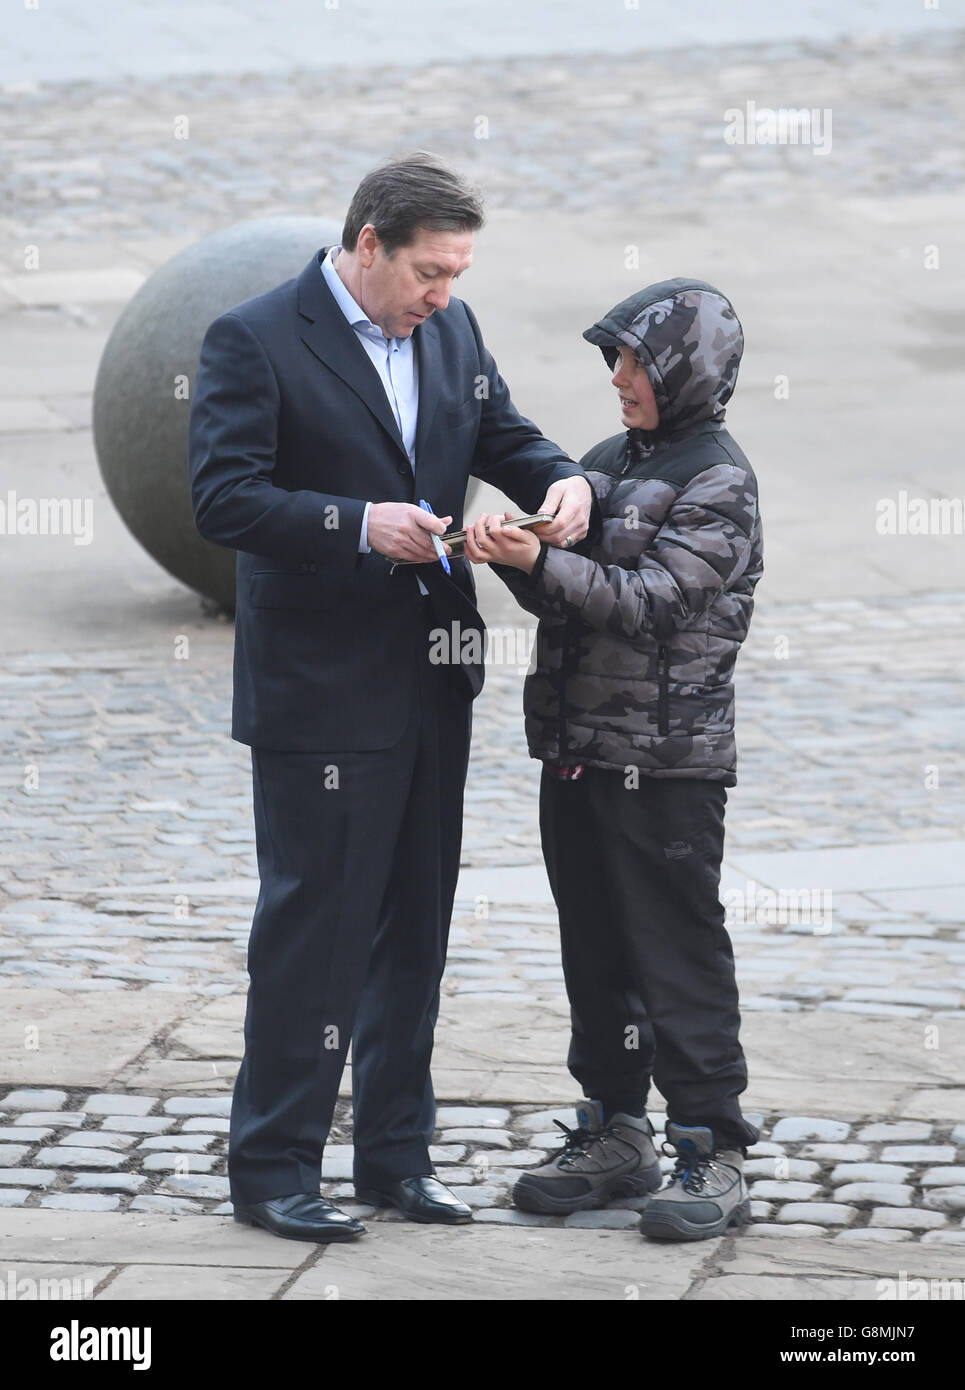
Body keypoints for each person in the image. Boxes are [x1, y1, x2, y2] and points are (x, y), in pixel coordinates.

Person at [187, 151, 592, 1243]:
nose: (443, 295)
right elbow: (224, 498)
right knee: (314, 930)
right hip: (319, 689)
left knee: (414, 925)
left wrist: (563, 478)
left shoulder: (451, 333)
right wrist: (356, 522)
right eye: (427, 271)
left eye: (456, 273)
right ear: (366, 245)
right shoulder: (253, 338)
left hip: (434, 668)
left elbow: (499, 432)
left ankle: (393, 1159)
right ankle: (272, 1168)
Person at [463, 277, 764, 1242]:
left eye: (633, 360)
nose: (618, 378)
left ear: (684, 368)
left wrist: (539, 564)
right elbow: (567, 600)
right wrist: (526, 555)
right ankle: (613, 1129)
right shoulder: (601, 464)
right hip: (578, 755)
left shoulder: (719, 480)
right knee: (593, 951)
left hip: (667, 769)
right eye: (613, 360)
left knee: (673, 953)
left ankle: (710, 1148)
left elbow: (650, 608)